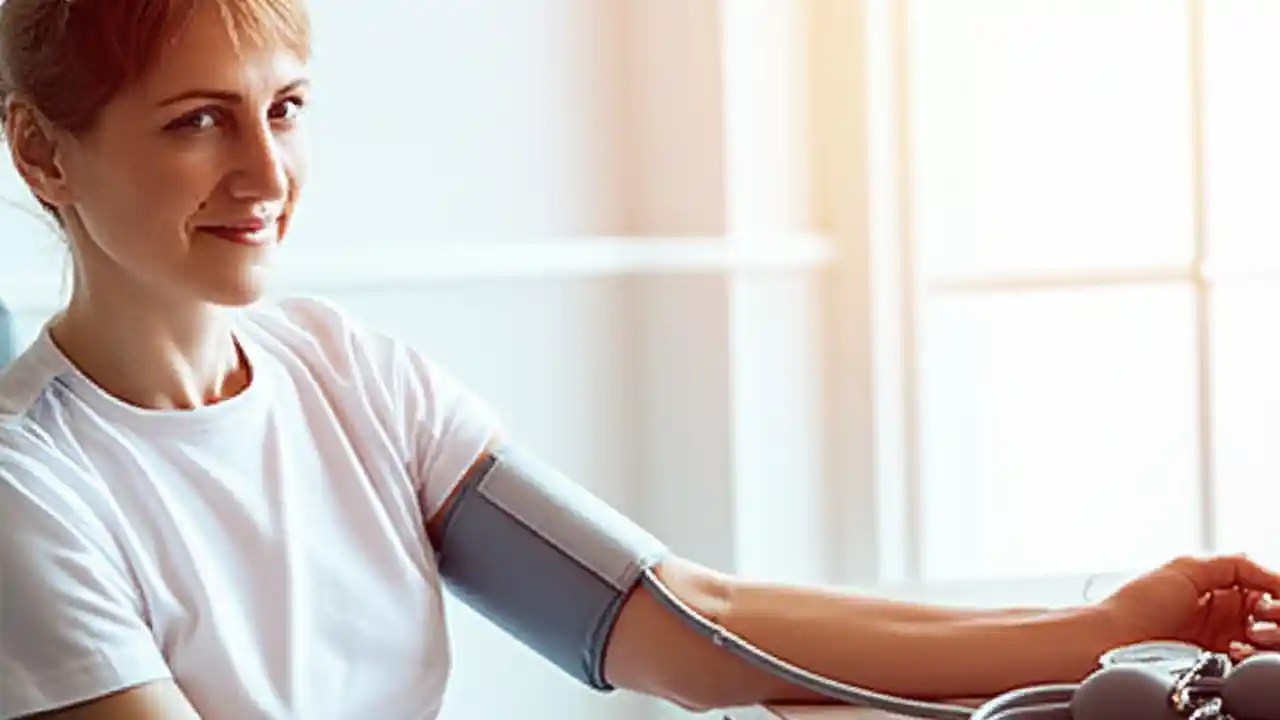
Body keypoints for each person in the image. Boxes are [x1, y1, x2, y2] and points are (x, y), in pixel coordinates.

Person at [1, 1, 1279, 718]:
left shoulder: (349, 377)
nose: (268, 175)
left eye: (283, 109)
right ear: (43, 153)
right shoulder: (29, 492)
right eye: (196, 123)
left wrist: (1094, 633)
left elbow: (686, 624)